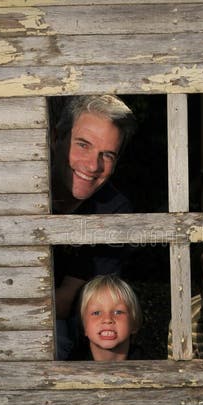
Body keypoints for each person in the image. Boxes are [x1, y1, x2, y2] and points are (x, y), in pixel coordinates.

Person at [51, 94, 137, 359]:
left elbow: (63, 304)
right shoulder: (24, 190)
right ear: (57, 139)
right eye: (83, 145)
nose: (92, 165)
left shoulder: (113, 209)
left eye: (107, 155)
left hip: (67, 328)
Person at [74, 275, 143, 361]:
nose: (107, 319)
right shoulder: (68, 367)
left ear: (134, 323)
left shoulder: (150, 366)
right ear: (83, 326)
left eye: (118, 312)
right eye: (96, 313)